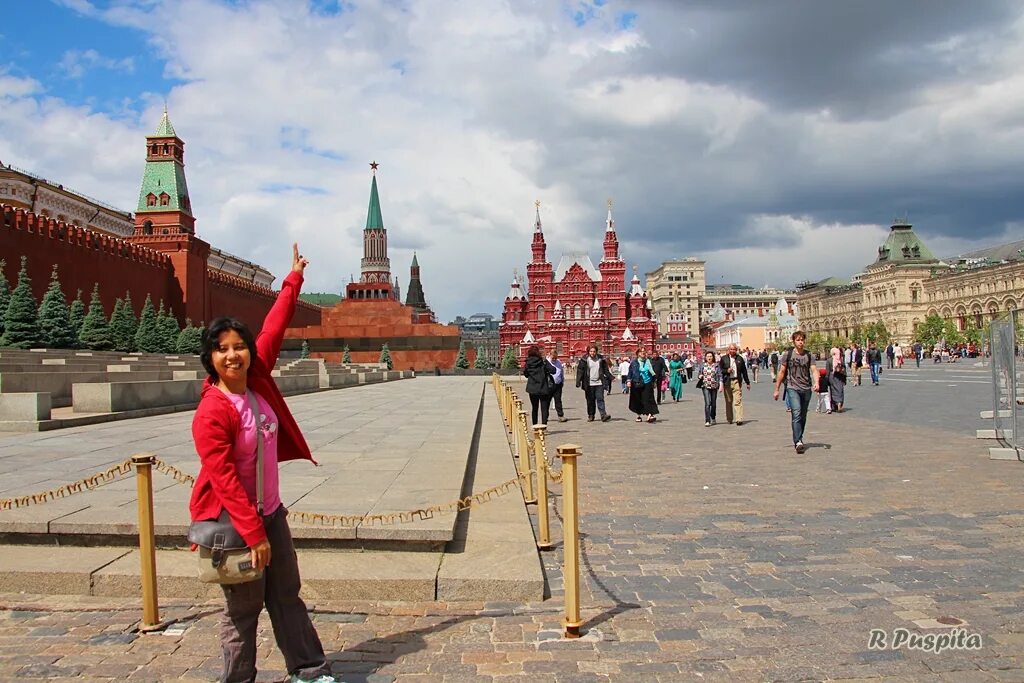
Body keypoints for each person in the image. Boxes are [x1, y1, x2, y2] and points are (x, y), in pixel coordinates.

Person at [190, 244, 340, 683]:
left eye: (239, 346)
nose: (233, 354)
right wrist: (255, 535)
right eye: (223, 349)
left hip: (270, 513)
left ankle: (311, 671)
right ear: (211, 357)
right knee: (243, 610)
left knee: (287, 597)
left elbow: (273, 326)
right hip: (234, 521)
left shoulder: (256, 379)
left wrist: (293, 278)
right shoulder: (213, 411)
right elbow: (224, 479)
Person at [773, 330, 817, 454]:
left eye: (802, 339)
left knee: (803, 415)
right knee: (796, 412)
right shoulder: (788, 354)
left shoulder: (809, 355)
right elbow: (781, 372)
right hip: (792, 387)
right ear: (794, 341)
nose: (800, 342)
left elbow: (814, 370)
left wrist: (817, 382)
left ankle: (799, 436)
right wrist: (777, 389)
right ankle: (798, 441)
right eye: (798, 340)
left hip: (806, 388)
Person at [575, 344, 613, 422]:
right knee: (590, 400)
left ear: (596, 352)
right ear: (588, 352)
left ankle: (603, 415)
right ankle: (591, 415)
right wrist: (578, 381)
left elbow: (605, 370)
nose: (592, 353)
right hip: (588, 383)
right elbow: (580, 370)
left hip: (599, 383)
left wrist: (611, 377)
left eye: (594, 351)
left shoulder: (601, 359)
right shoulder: (584, 360)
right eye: (591, 351)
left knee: (600, 399)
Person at [718, 343, 750, 426]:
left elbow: (744, 371)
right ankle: (729, 418)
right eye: (731, 349)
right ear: (728, 350)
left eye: (734, 349)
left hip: (736, 381)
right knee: (728, 401)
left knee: (738, 400)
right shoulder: (724, 359)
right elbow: (720, 370)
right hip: (727, 382)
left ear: (736, 350)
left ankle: (739, 419)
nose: (732, 351)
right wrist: (726, 371)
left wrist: (747, 382)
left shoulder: (740, 359)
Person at [523, 345, 555, 425]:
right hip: (543, 387)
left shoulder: (528, 362)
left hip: (532, 389)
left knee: (534, 408)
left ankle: (535, 426)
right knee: (544, 408)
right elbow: (553, 370)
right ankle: (544, 426)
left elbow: (526, 374)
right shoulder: (543, 361)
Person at [627, 347, 659, 423]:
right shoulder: (634, 362)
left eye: (644, 352)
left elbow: (653, 372)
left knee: (648, 399)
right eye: (641, 352)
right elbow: (630, 372)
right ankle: (638, 415)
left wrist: (654, 382)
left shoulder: (649, 362)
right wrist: (628, 381)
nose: (643, 353)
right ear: (638, 354)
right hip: (637, 382)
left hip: (647, 382)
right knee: (638, 399)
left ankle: (650, 415)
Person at [697, 350, 721, 426]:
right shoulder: (702, 365)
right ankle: (707, 420)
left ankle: (713, 417)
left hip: (714, 386)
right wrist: (699, 376)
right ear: (705, 358)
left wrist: (721, 384)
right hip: (705, 386)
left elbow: (720, 375)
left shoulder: (716, 365)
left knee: (713, 404)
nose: (709, 358)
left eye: (710, 356)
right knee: (708, 403)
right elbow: (699, 373)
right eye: (708, 356)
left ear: (713, 357)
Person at [548, 349, 567, 423]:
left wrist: (562, 381)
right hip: (549, 385)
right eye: (553, 358)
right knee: (547, 401)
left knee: (558, 400)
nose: (554, 359)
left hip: (558, 384)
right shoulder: (547, 362)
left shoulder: (558, 362)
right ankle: (545, 416)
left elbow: (561, 372)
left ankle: (560, 415)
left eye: (555, 358)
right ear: (550, 355)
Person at [829, 346, 846, 413]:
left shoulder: (829, 360)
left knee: (833, 391)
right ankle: (839, 404)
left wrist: (826, 380)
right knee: (840, 391)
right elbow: (844, 370)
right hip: (840, 378)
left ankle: (834, 405)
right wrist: (844, 379)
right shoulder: (840, 360)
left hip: (832, 377)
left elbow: (827, 371)